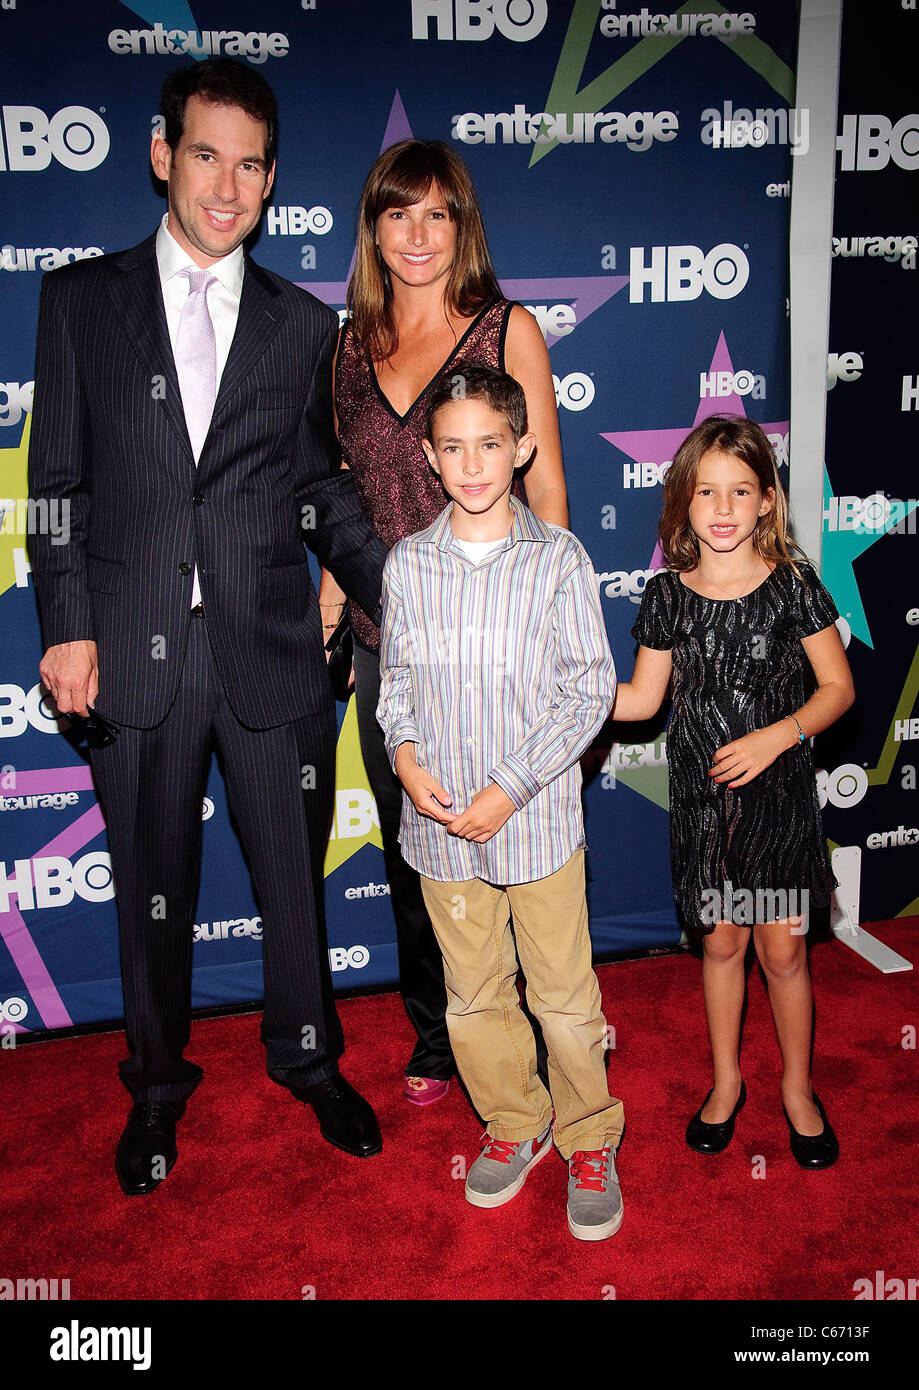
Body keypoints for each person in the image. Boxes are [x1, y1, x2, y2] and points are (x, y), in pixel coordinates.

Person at [27, 58, 389, 1196]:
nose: (225, 185)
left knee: (294, 882)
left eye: (248, 164)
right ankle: (153, 1087)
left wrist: (397, 583)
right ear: (159, 153)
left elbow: (320, 486)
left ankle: (310, 1057)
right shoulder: (80, 300)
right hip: (132, 649)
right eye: (203, 155)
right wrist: (68, 622)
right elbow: (53, 487)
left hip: (270, 648)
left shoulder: (301, 323)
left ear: (271, 178)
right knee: (152, 888)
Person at [322, 139, 568, 1106]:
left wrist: (549, 640)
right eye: (397, 213)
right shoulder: (346, 343)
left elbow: (546, 492)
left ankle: (544, 1030)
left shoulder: (507, 330)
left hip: (503, 647)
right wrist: (335, 610)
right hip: (394, 648)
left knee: (518, 847)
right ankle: (441, 1034)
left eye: (437, 214)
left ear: (462, 226)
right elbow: (345, 491)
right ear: (373, 228)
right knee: (420, 849)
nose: (417, 235)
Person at [377, 363, 624, 1241]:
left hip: (538, 825)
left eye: (490, 443)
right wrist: (403, 756)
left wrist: (507, 790)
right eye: (453, 447)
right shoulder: (408, 564)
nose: (473, 463)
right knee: (473, 995)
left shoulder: (557, 557)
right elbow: (395, 679)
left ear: (522, 447)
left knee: (561, 995)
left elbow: (589, 690)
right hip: (440, 832)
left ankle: (589, 1137)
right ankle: (515, 1123)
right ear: (429, 458)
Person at [613, 415, 854, 1168]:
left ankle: (796, 1090)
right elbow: (642, 702)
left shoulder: (791, 586)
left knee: (783, 952)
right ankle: (725, 1083)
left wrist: (778, 734)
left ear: (765, 501)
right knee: (720, 945)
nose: (721, 507)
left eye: (738, 491)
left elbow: (837, 687)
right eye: (705, 491)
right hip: (704, 808)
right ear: (681, 502)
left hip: (777, 804)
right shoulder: (665, 595)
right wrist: (563, 690)